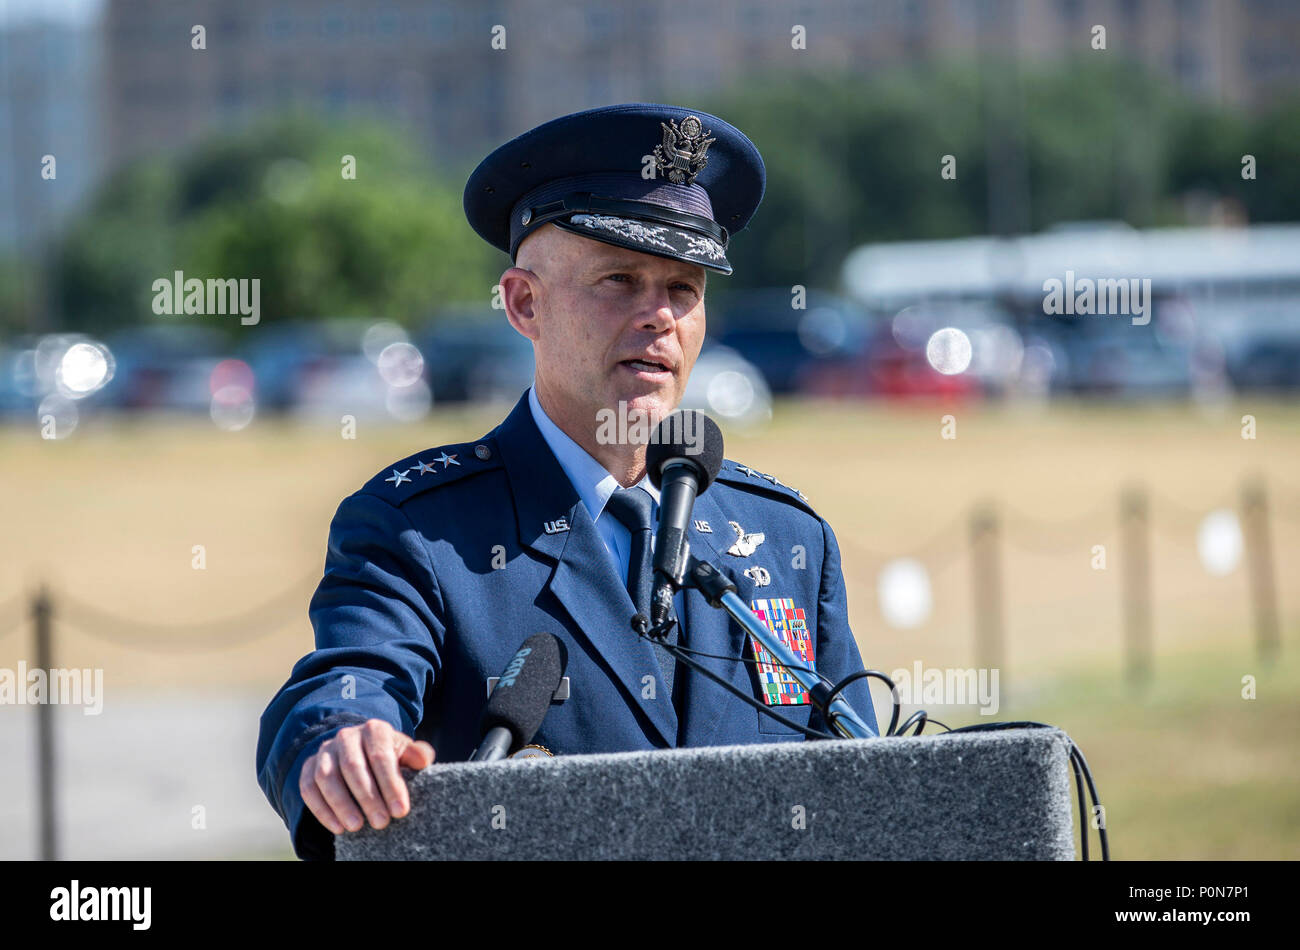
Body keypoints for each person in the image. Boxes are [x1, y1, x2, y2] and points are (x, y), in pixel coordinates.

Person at [256, 103, 880, 860]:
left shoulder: (784, 536)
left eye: (683, 290)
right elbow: (349, 682)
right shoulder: (421, 530)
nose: (659, 318)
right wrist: (343, 744)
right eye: (619, 279)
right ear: (524, 303)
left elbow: (859, 790)